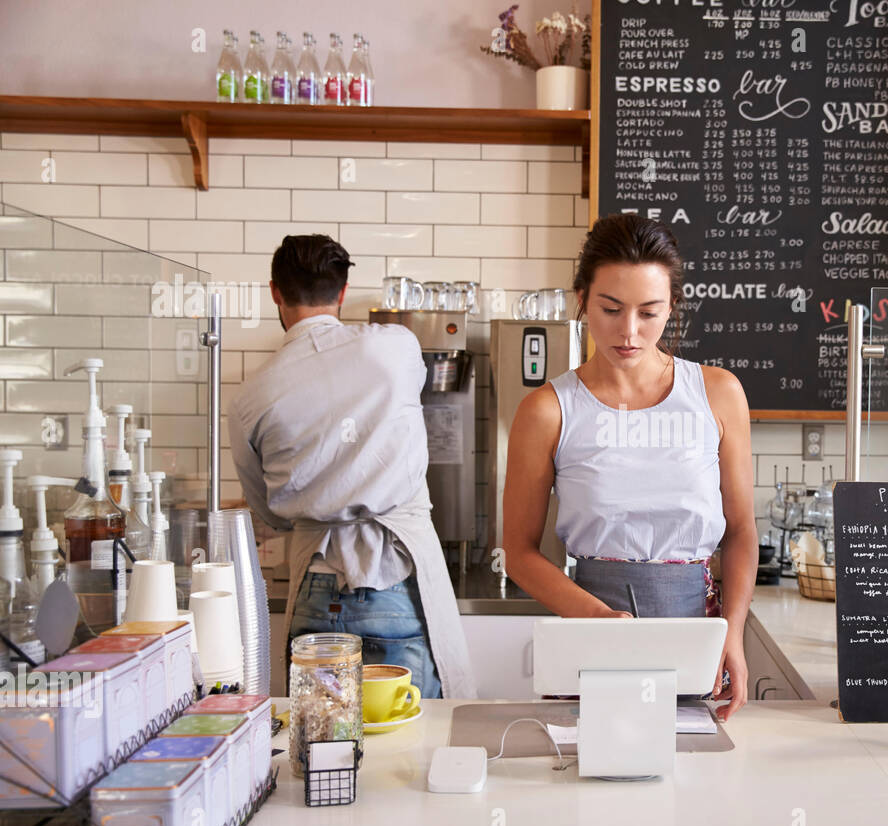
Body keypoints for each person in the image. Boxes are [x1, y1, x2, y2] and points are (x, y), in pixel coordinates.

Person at [503, 214, 757, 720]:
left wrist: (731, 630)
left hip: (697, 637)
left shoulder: (718, 393)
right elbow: (519, 552)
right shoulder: (548, 410)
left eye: (649, 311)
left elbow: (742, 530)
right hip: (591, 636)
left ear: (673, 308)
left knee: (697, 784)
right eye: (611, 309)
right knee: (587, 780)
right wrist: (601, 621)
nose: (629, 331)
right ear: (582, 300)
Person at [228, 234, 475, 699]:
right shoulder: (396, 348)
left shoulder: (249, 397)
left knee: (323, 752)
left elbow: (271, 514)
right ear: (342, 293)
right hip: (396, 581)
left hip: (315, 589)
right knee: (410, 748)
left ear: (275, 292)